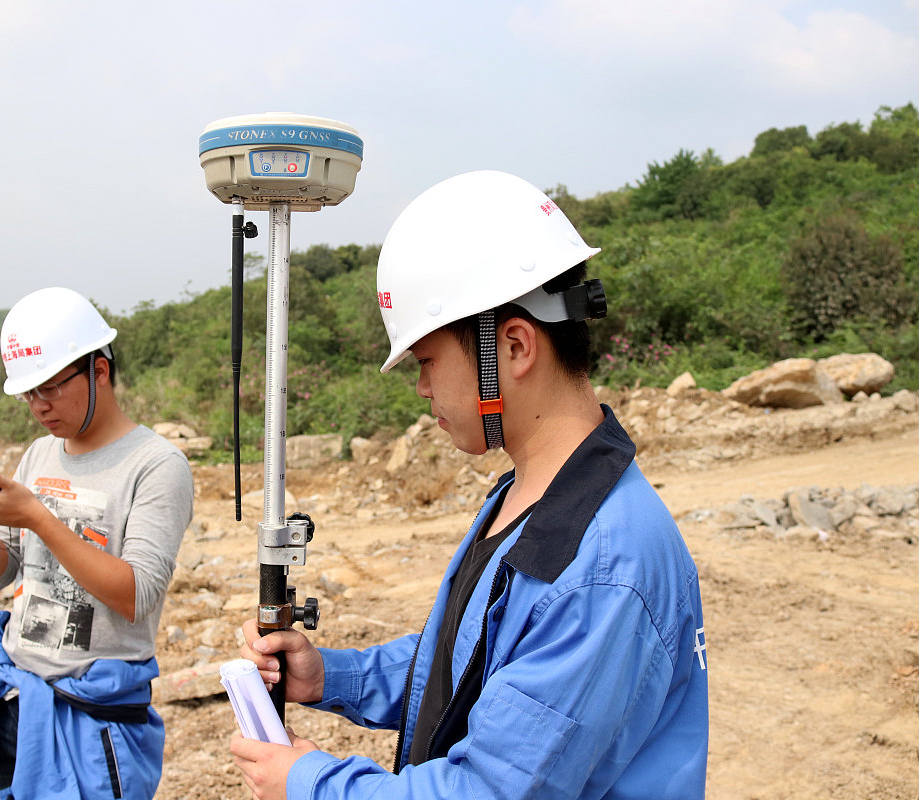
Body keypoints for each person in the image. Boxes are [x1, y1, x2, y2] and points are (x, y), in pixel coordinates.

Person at [230, 171, 708, 799]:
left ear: (512, 347)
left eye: (427, 361)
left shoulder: (600, 567)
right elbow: (465, 670)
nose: (423, 388)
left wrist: (313, 785)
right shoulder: (533, 502)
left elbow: (490, 789)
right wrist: (329, 678)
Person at [0, 286, 194, 800]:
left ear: (99, 370)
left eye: (51, 389)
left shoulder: (155, 465)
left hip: (96, 721)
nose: (38, 406)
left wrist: (38, 516)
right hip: (23, 704)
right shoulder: (39, 454)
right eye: (28, 394)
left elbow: (135, 595)